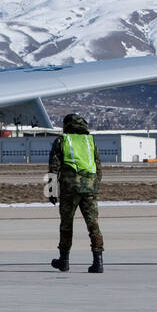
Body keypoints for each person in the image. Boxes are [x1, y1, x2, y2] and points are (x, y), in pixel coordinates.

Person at [49, 113, 103, 273]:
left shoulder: (62, 140)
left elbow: (53, 167)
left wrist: (51, 191)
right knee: (93, 225)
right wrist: (94, 186)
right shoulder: (90, 141)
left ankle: (64, 261)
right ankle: (98, 262)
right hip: (90, 188)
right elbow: (98, 167)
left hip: (69, 188)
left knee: (66, 225)